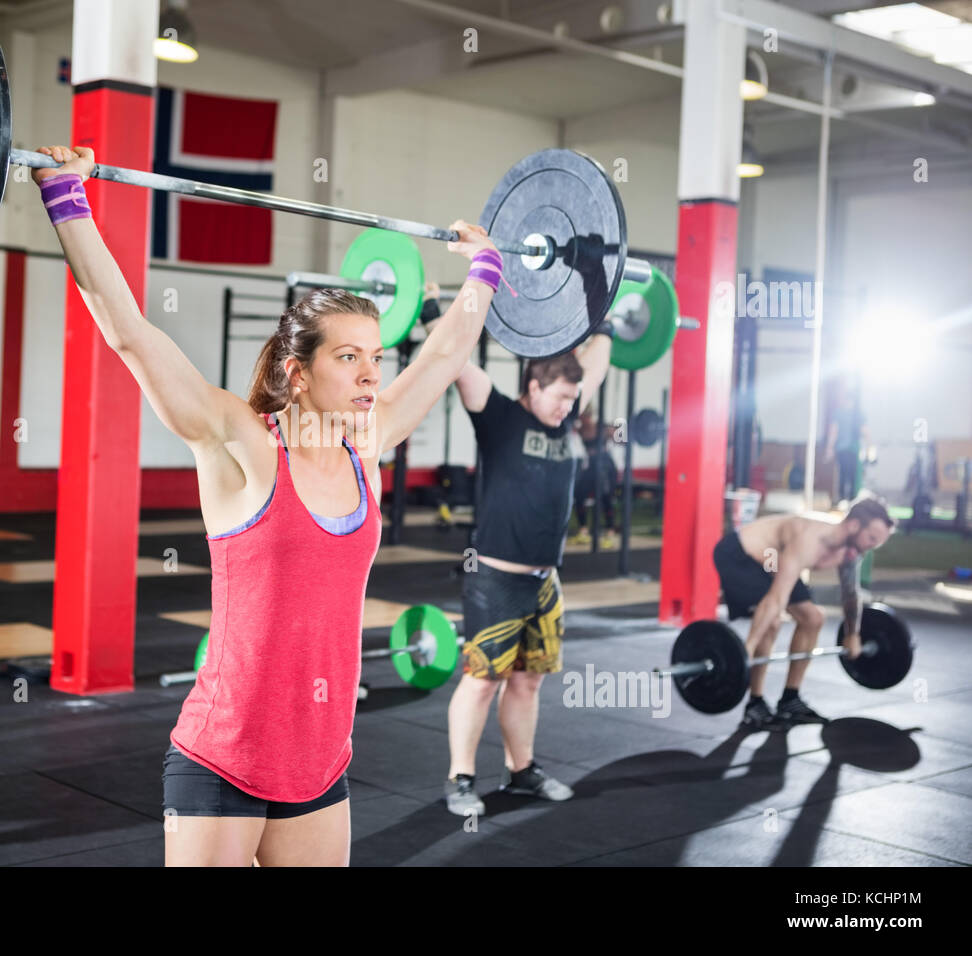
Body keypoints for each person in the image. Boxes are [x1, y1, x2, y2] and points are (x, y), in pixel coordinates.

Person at [31, 145, 502, 866]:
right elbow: (130, 334)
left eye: (376, 357)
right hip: (223, 758)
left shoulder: (365, 449)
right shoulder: (241, 443)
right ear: (298, 371)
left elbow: (440, 358)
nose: (372, 375)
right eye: (348, 358)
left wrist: (484, 271)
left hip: (319, 765)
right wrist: (67, 200)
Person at [438, 326, 612, 817]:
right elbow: (454, 360)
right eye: (559, 398)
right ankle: (460, 778)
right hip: (496, 581)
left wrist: (599, 319)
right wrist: (433, 308)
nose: (566, 409)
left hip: (545, 582)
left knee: (529, 681)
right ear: (533, 386)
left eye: (571, 400)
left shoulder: (566, 411)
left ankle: (522, 771)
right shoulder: (499, 417)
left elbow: (599, 355)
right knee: (482, 680)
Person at [711, 496, 894, 729]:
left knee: (813, 618)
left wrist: (853, 635)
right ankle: (754, 704)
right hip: (740, 553)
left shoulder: (849, 551)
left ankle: (790, 700)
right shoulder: (810, 539)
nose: (871, 546)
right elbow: (777, 598)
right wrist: (744, 651)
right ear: (853, 525)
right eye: (871, 539)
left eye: (877, 543)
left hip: (774, 559)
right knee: (772, 621)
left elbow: (851, 594)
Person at [572, 412, 617, 546]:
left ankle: (610, 533)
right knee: (579, 495)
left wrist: (614, 430)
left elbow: (621, 437)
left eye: (584, 416)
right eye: (580, 416)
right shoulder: (580, 429)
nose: (581, 419)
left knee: (605, 498)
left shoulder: (601, 427)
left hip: (605, 465)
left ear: (590, 415)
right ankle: (583, 532)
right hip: (591, 466)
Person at [825, 381, 866, 504]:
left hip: (843, 449)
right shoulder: (857, 414)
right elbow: (865, 431)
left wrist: (830, 448)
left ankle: (843, 500)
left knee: (843, 475)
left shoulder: (839, 413)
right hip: (852, 449)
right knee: (852, 476)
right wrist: (870, 447)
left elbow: (833, 432)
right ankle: (851, 500)